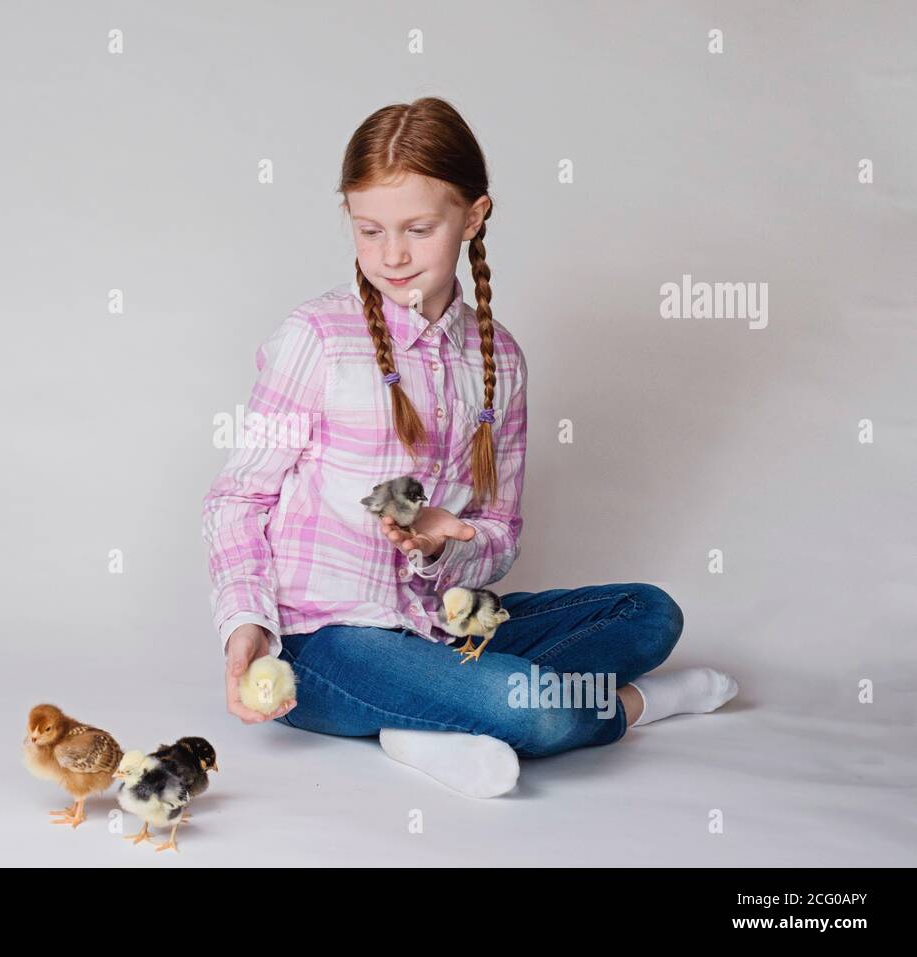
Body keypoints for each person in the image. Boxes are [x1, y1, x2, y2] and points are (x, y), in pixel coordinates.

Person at [201, 96, 737, 798]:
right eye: (369, 230)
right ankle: (631, 707)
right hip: (326, 642)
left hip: (438, 629)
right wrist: (245, 623)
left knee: (650, 611)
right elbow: (238, 496)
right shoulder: (317, 339)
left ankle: (433, 716)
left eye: (419, 229)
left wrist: (444, 544)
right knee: (534, 703)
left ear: (473, 216)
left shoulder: (500, 361)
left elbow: (501, 532)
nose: (392, 254)